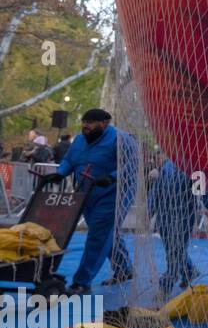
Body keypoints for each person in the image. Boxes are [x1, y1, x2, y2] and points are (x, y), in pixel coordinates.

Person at [33, 109, 137, 295]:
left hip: (113, 194)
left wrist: (113, 177)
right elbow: (69, 160)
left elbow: (132, 165)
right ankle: (124, 269)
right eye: (84, 121)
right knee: (106, 233)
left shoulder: (121, 139)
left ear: (105, 123)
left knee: (98, 234)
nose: (85, 125)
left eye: (91, 122)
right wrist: (59, 173)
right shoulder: (80, 140)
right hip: (86, 193)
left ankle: (82, 282)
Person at [148, 159, 198, 297]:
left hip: (183, 217)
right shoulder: (166, 165)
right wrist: (149, 211)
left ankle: (166, 285)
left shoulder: (196, 166)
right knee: (174, 249)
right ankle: (189, 271)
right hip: (164, 218)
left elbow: (202, 193)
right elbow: (156, 191)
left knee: (174, 252)